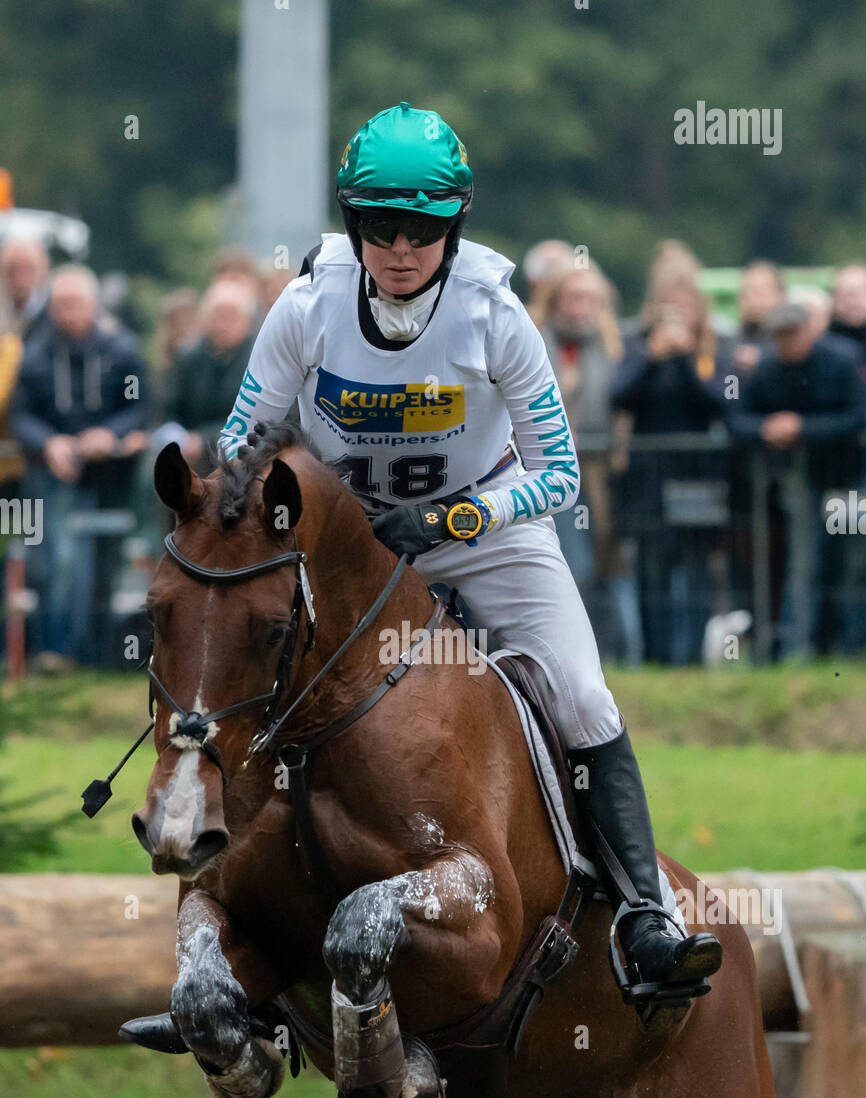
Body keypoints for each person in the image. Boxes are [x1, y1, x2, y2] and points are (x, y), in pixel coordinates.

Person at [217, 102, 722, 999]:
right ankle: (228, 940)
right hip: (350, 548)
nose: (401, 247)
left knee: (582, 694)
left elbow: (559, 471)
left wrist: (455, 523)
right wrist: (246, 503)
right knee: (249, 681)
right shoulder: (305, 309)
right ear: (352, 222)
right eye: (380, 225)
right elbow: (241, 441)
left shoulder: (497, 317)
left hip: (488, 534)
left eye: (423, 227)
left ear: (455, 225)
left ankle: (647, 916)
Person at [10, 264, 149, 664]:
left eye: (75, 303)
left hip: (109, 473)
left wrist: (109, 434)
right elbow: (22, 416)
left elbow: (140, 407)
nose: (67, 311)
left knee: (103, 562)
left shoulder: (120, 347)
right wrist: (50, 443)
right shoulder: (34, 352)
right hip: (52, 474)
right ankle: (56, 649)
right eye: (60, 303)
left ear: (93, 304)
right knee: (56, 559)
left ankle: (98, 652)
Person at [727, 299, 865, 656]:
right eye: (780, 335)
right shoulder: (767, 370)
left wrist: (802, 428)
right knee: (804, 565)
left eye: (792, 334)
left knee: (850, 564)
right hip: (801, 481)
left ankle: (849, 649)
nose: (786, 342)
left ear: (810, 330)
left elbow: (856, 416)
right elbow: (737, 418)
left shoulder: (842, 361)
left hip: (848, 479)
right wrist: (766, 429)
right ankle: (799, 650)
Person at [612, 273, 732, 664]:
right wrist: (653, 357)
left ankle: (694, 655)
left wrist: (682, 358)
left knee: (697, 567)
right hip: (648, 480)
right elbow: (621, 396)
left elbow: (717, 403)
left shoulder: (713, 353)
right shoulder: (638, 351)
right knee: (652, 570)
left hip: (696, 477)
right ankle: (657, 656)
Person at [542, 261, 643, 664]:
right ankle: (574, 656)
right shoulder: (537, 339)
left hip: (606, 471)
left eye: (589, 298)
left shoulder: (617, 344)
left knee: (613, 565)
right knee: (572, 565)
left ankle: (625, 656)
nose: (581, 307)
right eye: (573, 297)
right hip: (555, 469)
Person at [162, 279, 258, 469]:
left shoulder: (258, 359)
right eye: (217, 315)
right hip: (189, 453)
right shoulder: (189, 357)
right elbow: (169, 408)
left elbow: (256, 417)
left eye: (231, 316)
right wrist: (177, 435)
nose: (222, 324)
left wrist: (206, 439)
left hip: (243, 456)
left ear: (247, 321)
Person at [0, 237, 50, 341]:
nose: (19, 280)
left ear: (43, 268)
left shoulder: (57, 311)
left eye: (27, 270)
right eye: (12, 270)